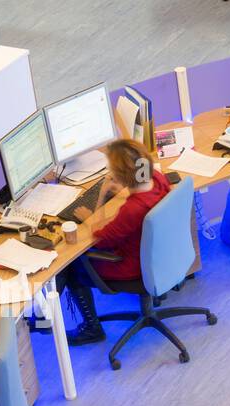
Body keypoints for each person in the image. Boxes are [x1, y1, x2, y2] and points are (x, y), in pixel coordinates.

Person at [65, 138, 170, 346]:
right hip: (163, 255)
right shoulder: (157, 178)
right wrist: (121, 189)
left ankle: (92, 328)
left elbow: (100, 237)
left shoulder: (132, 209)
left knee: (72, 265)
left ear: (121, 177)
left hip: (131, 266)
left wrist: (94, 206)